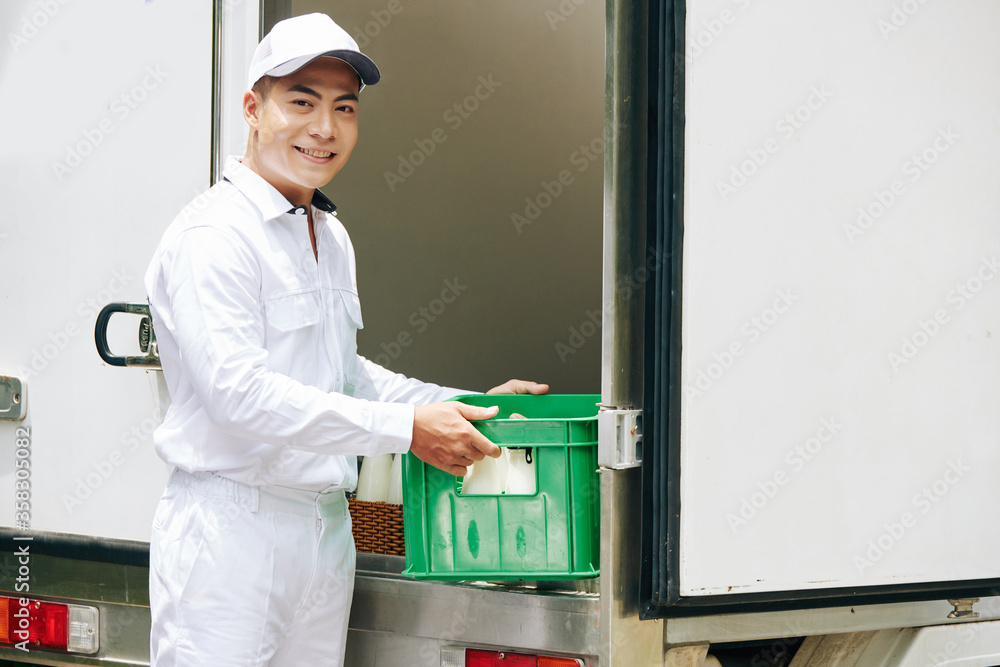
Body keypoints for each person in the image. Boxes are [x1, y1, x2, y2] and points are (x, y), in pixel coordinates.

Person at [143, 13, 547, 666]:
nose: (324, 128)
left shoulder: (326, 235)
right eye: (301, 101)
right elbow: (238, 395)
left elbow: (338, 370)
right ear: (253, 107)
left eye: (343, 108)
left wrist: (461, 401)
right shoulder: (213, 237)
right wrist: (407, 429)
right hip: (230, 533)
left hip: (323, 526)